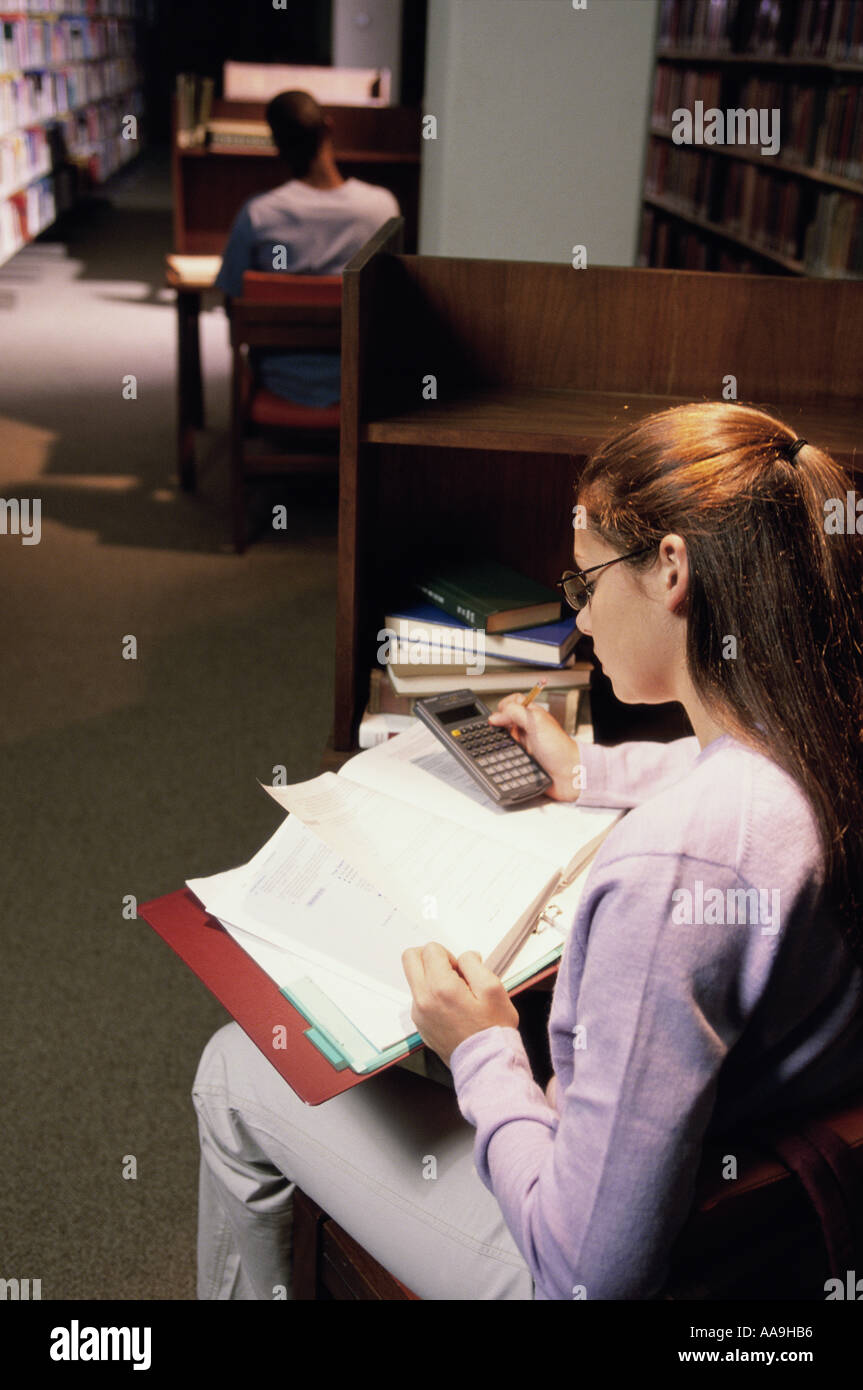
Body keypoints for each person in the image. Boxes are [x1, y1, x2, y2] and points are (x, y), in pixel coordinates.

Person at [193, 400, 863, 1300]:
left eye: (585, 585)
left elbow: (589, 1273)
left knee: (238, 1067)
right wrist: (582, 770)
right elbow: (734, 781)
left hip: (586, 1259)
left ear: (671, 569)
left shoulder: (667, 874)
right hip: (772, 1183)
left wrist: (483, 1050)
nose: (580, 621)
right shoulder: (826, 734)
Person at [214, 90, 400, 407]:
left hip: (280, 379)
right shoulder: (383, 208)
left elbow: (233, 304)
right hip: (363, 380)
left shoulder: (258, 214)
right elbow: (394, 299)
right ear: (328, 128)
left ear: (278, 147)